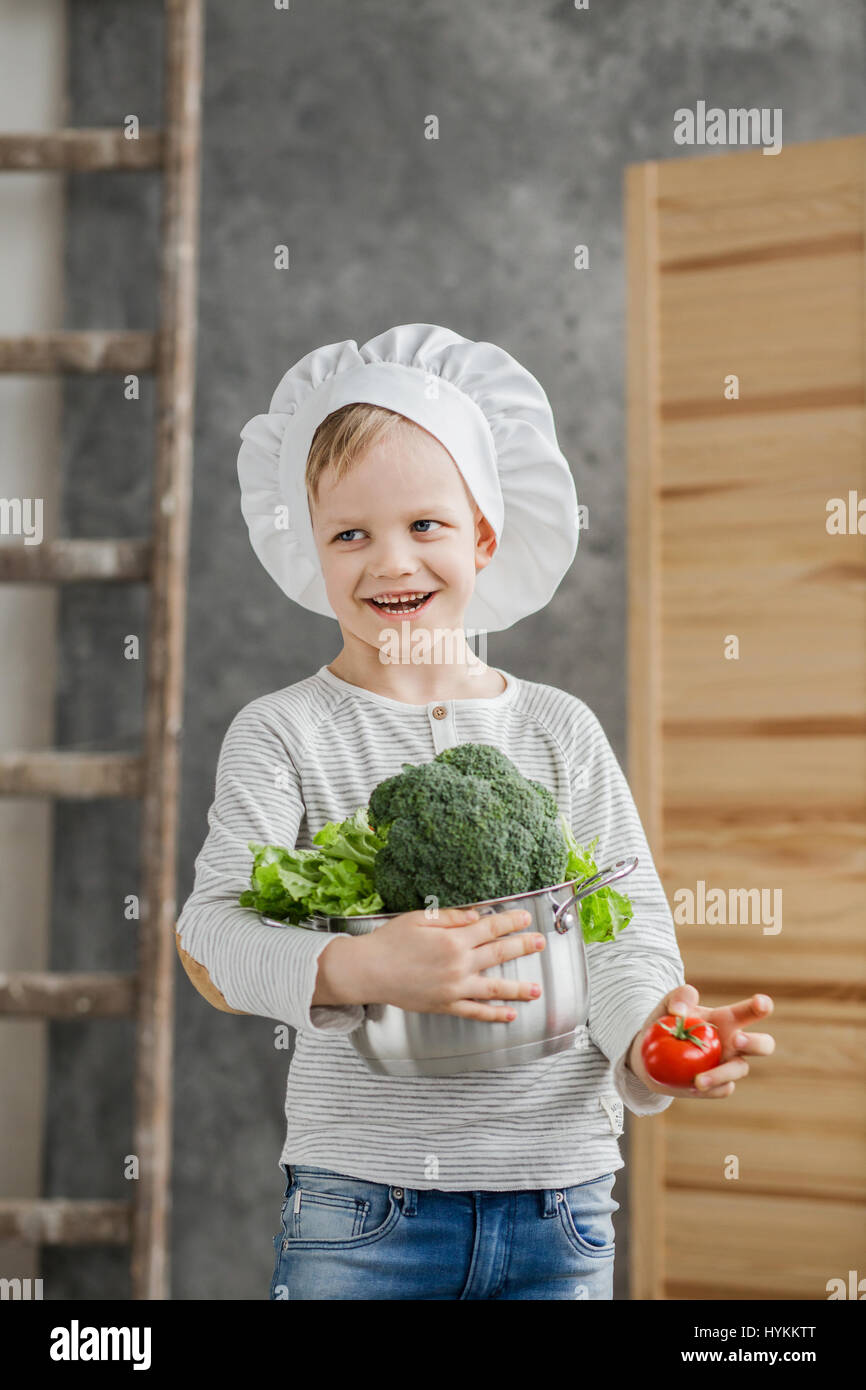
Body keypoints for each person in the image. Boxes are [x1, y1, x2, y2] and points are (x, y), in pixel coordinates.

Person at [174, 324, 776, 1300]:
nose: (389, 562)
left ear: (483, 535)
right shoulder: (283, 732)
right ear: (312, 548)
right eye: (349, 534)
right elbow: (208, 936)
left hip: (559, 1201)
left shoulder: (555, 728)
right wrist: (363, 963)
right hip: (362, 1205)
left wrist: (657, 1042)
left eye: (425, 525)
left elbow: (624, 937)